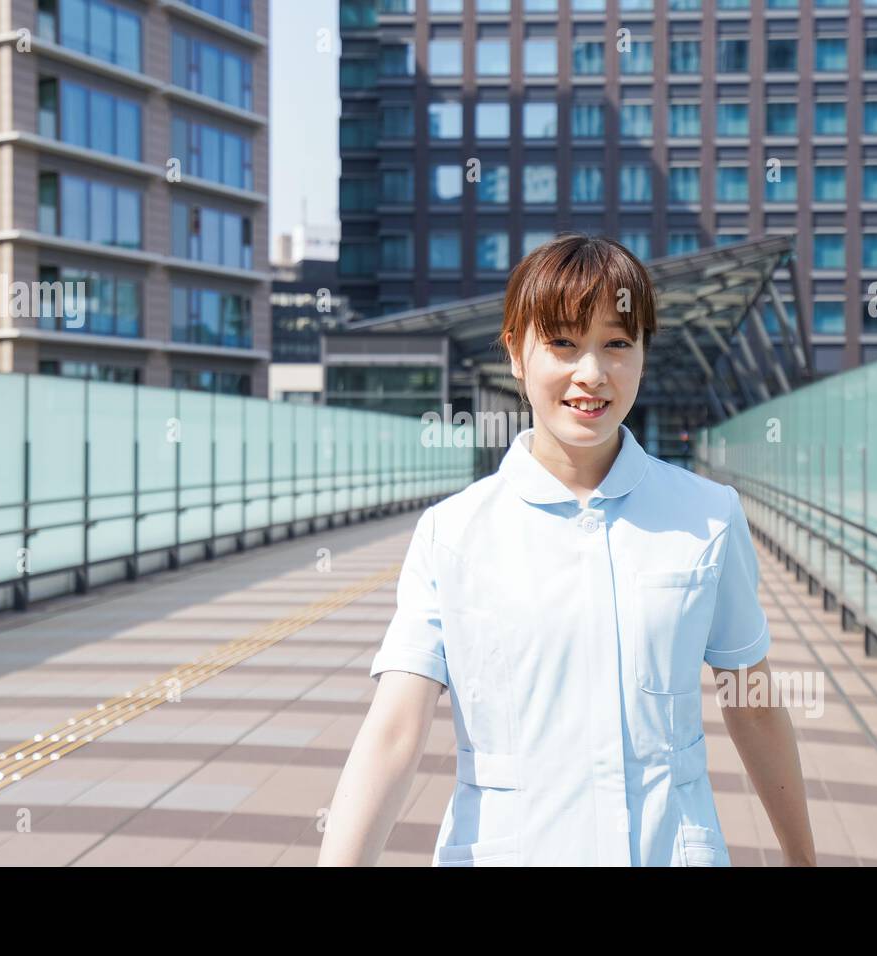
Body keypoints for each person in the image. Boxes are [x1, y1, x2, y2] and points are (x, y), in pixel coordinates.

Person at [318, 233, 816, 867]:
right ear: (516, 354)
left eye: (616, 343)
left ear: (641, 355)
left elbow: (755, 705)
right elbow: (394, 731)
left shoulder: (707, 516)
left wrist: (803, 858)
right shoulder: (453, 533)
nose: (591, 373)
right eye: (561, 342)